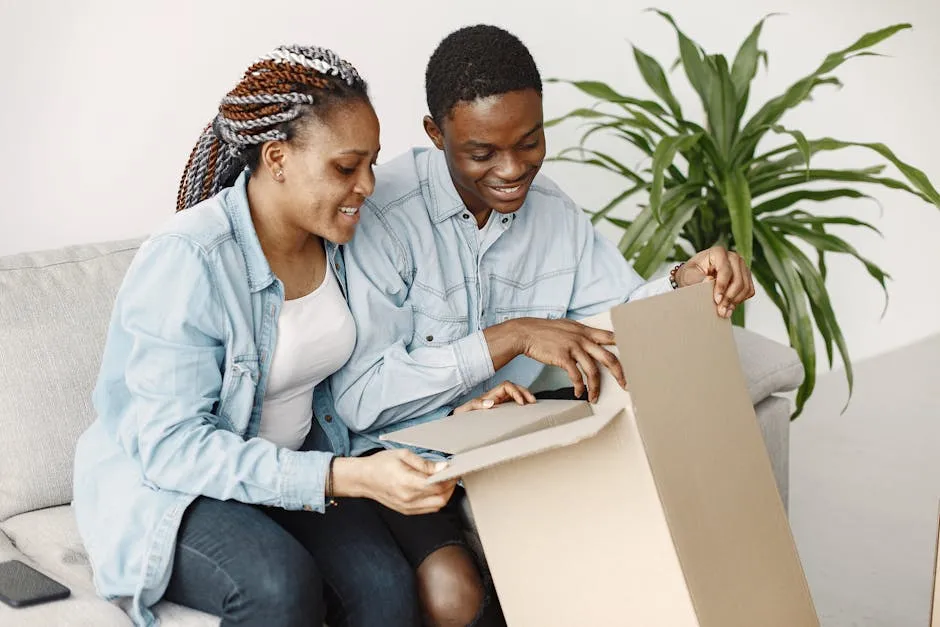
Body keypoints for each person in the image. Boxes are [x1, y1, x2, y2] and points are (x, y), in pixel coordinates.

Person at [72, 44, 518, 627]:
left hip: (295, 462)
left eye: (372, 164)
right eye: (345, 167)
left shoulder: (340, 244)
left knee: (386, 589)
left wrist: (460, 413)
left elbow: (369, 381)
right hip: (179, 484)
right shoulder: (190, 259)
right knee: (279, 586)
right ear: (276, 157)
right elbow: (171, 446)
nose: (367, 185)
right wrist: (340, 476)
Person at [330, 23, 757, 615]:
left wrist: (687, 281)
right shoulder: (384, 216)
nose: (511, 170)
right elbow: (359, 400)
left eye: (529, 142)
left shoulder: (554, 214)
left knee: (629, 546)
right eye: (481, 153)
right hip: (396, 454)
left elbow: (615, 324)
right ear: (436, 135)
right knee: (454, 593)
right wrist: (510, 338)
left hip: (508, 443)